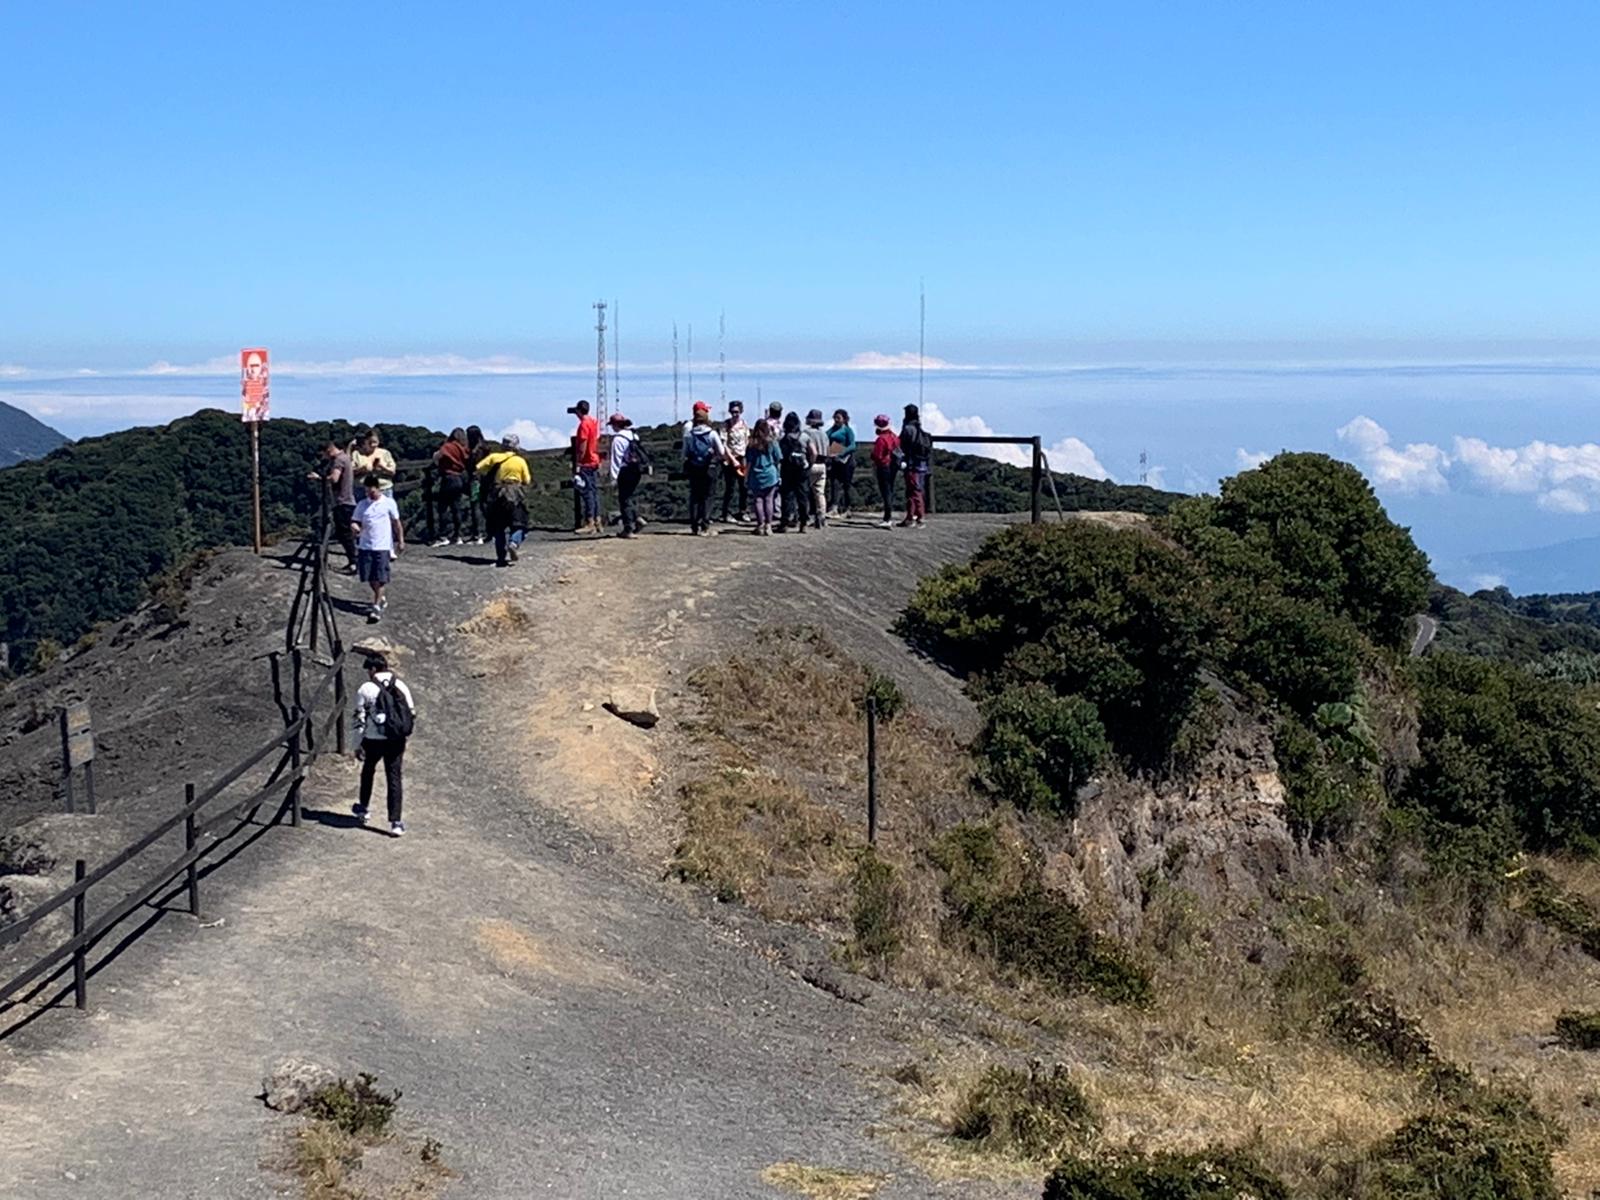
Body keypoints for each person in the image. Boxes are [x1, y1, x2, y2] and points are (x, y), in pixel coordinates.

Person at [351, 652, 415, 837]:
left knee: (368, 771)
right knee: (394, 777)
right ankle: (396, 822)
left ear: (372, 669)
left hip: (373, 739)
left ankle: (363, 808)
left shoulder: (366, 688)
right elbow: (411, 712)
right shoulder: (400, 684)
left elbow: (359, 719)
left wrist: (357, 744)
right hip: (396, 739)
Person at [351, 474, 403, 621]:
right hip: (366, 545)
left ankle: (376, 606)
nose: (370, 494)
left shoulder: (388, 503)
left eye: (372, 491)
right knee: (369, 577)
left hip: (382, 545)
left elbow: (396, 522)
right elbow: (355, 521)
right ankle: (380, 598)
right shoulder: (362, 504)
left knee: (380, 577)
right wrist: (355, 527)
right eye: (367, 491)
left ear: (378, 489)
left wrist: (400, 540)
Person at [476, 434, 531, 567]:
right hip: (515, 494)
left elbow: (479, 468)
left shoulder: (495, 457)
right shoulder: (520, 461)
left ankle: (501, 557)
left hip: (498, 493)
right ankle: (514, 542)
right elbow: (527, 480)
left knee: (498, 527)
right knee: (520, 524)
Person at [308, 439, 358, 570]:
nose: (324, 458)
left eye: (324, 454)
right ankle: (354, 560)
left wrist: (319, 478)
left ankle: (354, 561)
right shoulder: (345, 457)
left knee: (344, 533)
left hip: (342, 501)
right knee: (346, 532)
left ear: (329, 450)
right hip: (348, 500)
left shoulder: (338, 460)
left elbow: (335, 478)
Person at [682, 401, 726, 536]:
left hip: (694, 467)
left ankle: (694, 525)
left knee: (695, 496)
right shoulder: (712, 434)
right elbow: (722, 452)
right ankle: (705, 525)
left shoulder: (689, 435)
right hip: (709, 467)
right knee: (708, 496)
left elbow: (684, 453)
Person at [607, 412, 647, 538]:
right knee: (629, 496)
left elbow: (616, 459)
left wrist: (613, 477)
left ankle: (628, 528)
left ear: (615, 425)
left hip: (625, 471)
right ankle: (637, 519)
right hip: (637, 470)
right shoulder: (633, 435)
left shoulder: (618, 439)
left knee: (624, 499)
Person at [431, 427, 471, 546]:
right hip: (459, 478)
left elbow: (438, 456)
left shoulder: (448, 446)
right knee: (456, 508)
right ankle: (458, 536)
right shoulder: (464, 448)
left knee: (443, 508)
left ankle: (443, 536)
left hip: (448, 478)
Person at [745, 417, 782, 536]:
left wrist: (746, 476)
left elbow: (749, 462)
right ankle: (768, 526)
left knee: (758, 500)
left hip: (756, 474)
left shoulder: (751, 444)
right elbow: (778, 459)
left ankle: (760, 525)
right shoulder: (772, 442)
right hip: (770, 473)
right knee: (769, 499)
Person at [570, 401, 602, 535]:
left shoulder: (583, 425)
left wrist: (578, 462)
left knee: (587, 493)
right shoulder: (594, 422)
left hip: (587, 461)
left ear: (578, 411)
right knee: (593, 492)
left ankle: (590, 522)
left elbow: (582, 445)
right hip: (594, 458)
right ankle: (597, 520)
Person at [899, 404, 933, 528]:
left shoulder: (908, 429)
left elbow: (901, 445)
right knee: (917, 490)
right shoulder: (919, 429)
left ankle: (918, 517)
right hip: (922, 464)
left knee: (913, 491)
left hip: (912, 464)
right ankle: (912, 517)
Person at [778, 412, 811, 533]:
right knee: (802, 496)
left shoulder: (783, 437)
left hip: (787, 469)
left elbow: (779, 454)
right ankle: (803, 523)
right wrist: (809, 464)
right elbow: (813, 452)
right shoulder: (804, 436)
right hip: (801, 469)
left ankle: (785, 523)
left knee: (787, 496)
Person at [719, 400, 750, 523]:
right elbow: (723, 443)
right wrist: (732, 459)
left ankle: (743, 511)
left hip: (742, 457)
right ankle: (726, 513)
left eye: (737, 412)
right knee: (730, 487)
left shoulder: (744, 424)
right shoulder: (725, 425)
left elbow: (747, 440)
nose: (735, 414)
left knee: (744, 487)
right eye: (732, 412)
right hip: (730, 458)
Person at [869, 415, 901, 528]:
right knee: (890, 490)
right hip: (894, 466)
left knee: (885, 492)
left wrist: (872, 456)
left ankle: (887, 518)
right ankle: (888, 516)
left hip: (883, 467)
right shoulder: (894, 437)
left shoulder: (881, 439)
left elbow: (877, 455)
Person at [826, 409, 857, 517]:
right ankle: (834, 508)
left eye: (838, 418)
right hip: (835, 460)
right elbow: (826, 437)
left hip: (847, 460)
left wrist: (841, 453)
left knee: (846, 485)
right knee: (834, 484)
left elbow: (852, 445)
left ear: (844, 419)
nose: (836, 420)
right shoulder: (832, 430)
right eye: (835, 417)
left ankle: (847, 508)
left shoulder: (848, 430)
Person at [803, 409, 830, 529]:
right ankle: (822, 517)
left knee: (805, 491)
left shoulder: (806, 433)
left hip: (811, 463)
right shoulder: (824, 434)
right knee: (820, 493)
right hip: (822, 464)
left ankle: (806, 516)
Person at [351, 428, 397, 498]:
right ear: (365, 441)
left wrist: (382, 467)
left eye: (375, 442)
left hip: (383, 488)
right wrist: (361, 469)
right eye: (370, 442)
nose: (372, 445)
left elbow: (392, 471)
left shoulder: (385, 453)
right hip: (362, 490)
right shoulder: (357, 454)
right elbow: (350, 472)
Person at [464, 425, 487, 545]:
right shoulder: (485, 447)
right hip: (485, 480)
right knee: (484, 506)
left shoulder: (475, 451)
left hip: (475, 480)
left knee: (476, 505)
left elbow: (473, 466)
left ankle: (478, 534)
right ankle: (489, 533)